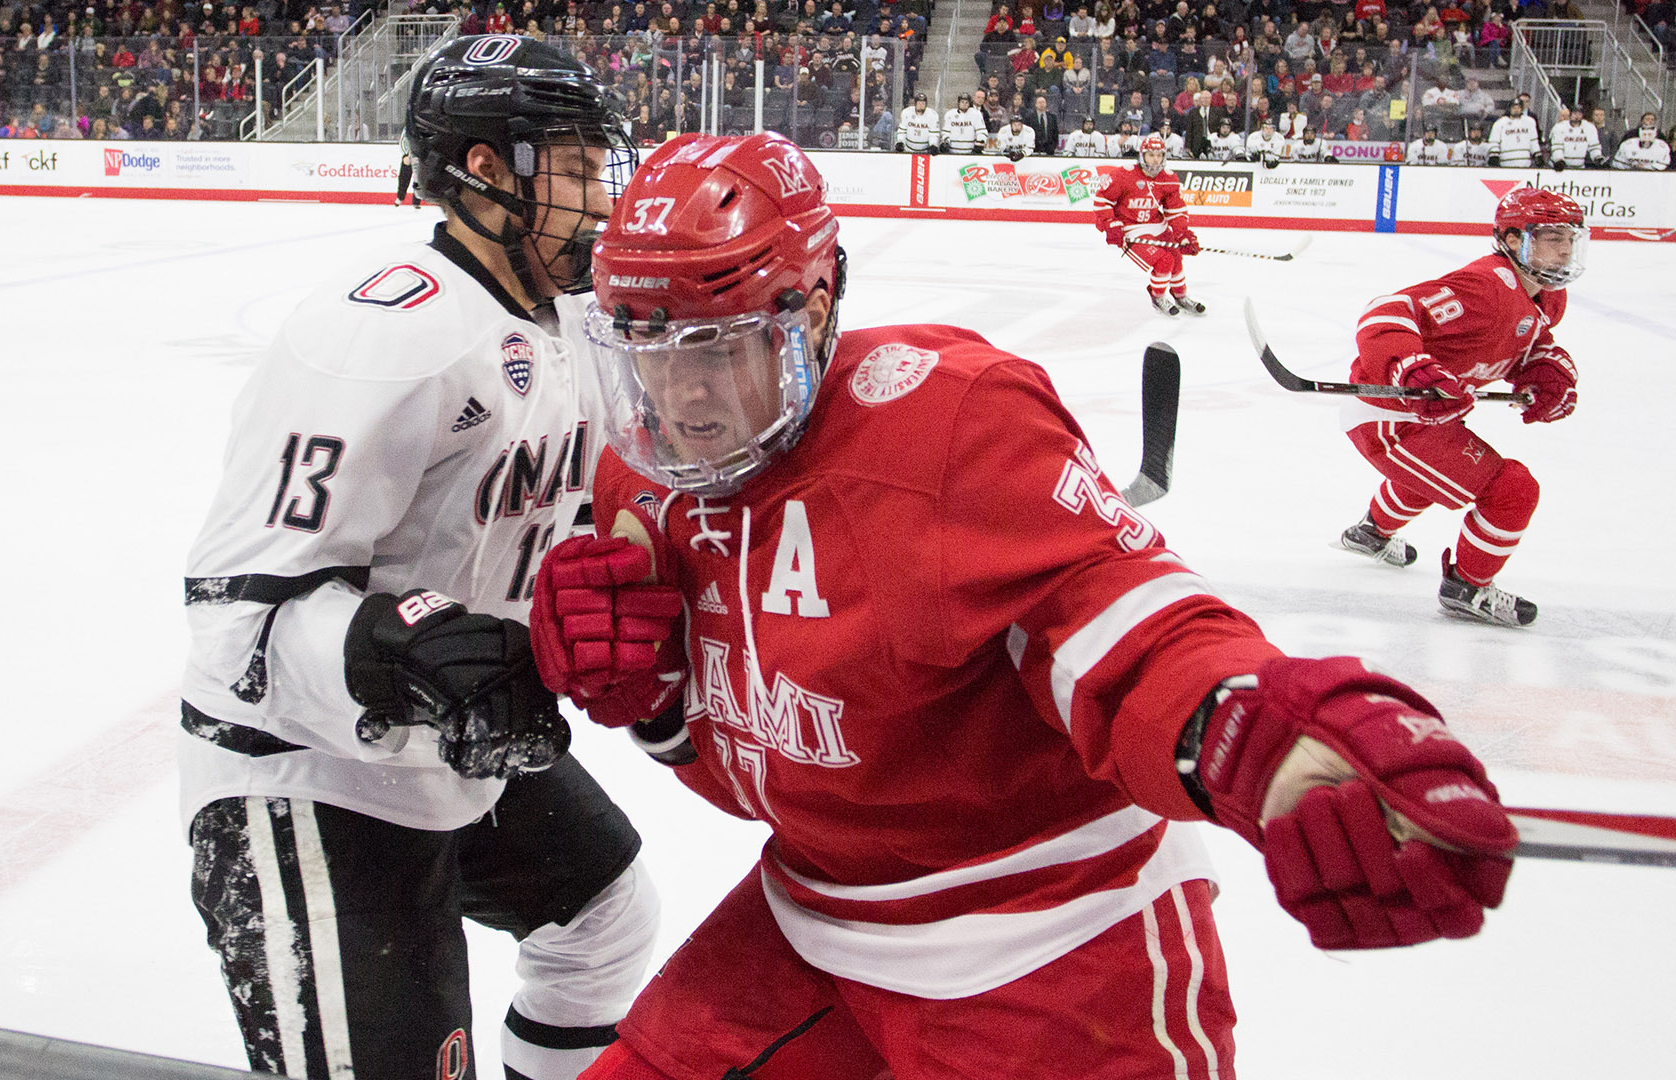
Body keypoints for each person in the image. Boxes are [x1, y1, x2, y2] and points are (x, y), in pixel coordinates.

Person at [531, 131, 1519, 1080]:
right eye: (650, 352)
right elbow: (779, 776)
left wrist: (1260, 736)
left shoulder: (946, 423)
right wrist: (665, 719)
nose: (683, 398)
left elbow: (1128, 633)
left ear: (817, 305)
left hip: (1054, 941)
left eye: (721, 350)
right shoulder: (638, 480)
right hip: (811, 921)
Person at [179, 36, 659, 1080]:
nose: (597, 199)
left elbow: (573, 510)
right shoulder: (381, 336)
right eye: (574, 169)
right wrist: (405, 645)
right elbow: (234, 613)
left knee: (604, 914)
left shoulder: (572, 319)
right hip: (303, 771)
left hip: (449, 745)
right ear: (486, 172)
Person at [1334, 187, 1586, 628]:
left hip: (1425, 417)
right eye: (1551, 237)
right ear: (1512, 240)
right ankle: (1466, 588)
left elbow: (1525, 345)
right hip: (1392, 417)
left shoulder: (1545, 296)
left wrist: (1547, 374)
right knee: (1512, 490)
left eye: (1569, 238)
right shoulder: (1487, 288)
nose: (1564, 249)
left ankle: (1371, 532)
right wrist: (1411, 369)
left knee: (1429, 478)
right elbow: (1385, 312)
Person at [1094, 132, 1202, 316]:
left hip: (1157, 226)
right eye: (1151, 155)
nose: (1155, 160)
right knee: (1164, 261)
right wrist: (1110, 224)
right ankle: (1158, 296)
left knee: (1176, 258)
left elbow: (1175, 210)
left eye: (1159, 155)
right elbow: (1103, 200)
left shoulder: (1168, 178)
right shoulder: (1123, 174)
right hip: (1131, 230)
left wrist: (1182, 234)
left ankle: (1180, 295)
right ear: (1142, 155)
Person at [1549, 104, 1603, 169]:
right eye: (1574, 113)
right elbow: (1557, 147)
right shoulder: (1559, 127)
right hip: (1561, 167)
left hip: (1580, 167)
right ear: (1570, 114)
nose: (1577, 116)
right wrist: (1559, 160)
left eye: (1579, 113)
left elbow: (1594, 147)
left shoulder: (1589, 127)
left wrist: (1597, 157)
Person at [1489, 98, 1540, 166]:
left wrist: (1537, 154)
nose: (1516, 110)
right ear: (1509, 109)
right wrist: (1494, 155)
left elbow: (1533, 141)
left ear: (1522, 109)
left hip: (1525, 163)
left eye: (1518, 107)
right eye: (1514, 108)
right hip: (1506, 163)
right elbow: (1494, 141)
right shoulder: (1500, 123)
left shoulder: (1529, 122)